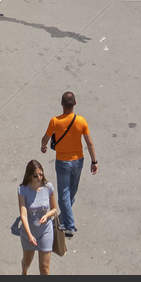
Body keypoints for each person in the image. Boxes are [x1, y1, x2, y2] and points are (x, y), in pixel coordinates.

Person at [41, 92, 97, 239]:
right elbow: (89, 143)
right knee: (72, 190)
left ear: (61, 104)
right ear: (75, 103)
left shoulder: (55, 121)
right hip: (79, 161)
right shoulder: (81, 121)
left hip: (62, 162)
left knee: (64, 194)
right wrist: (94, 161)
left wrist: (43, 146)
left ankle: (69, 225)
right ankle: (67, 216)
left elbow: (46, 138)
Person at [15, 159, 60, 275]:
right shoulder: (23, 190)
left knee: (44, 267)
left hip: (46, 231)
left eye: (41, 174)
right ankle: (24, 272)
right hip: (29, 233)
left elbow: (55, 209)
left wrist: (47, 215)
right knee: (27, 261)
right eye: (36, 175)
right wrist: (30, 235)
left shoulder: (48, 187)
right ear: (29, 175)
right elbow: (23, 215)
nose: (39, 178)